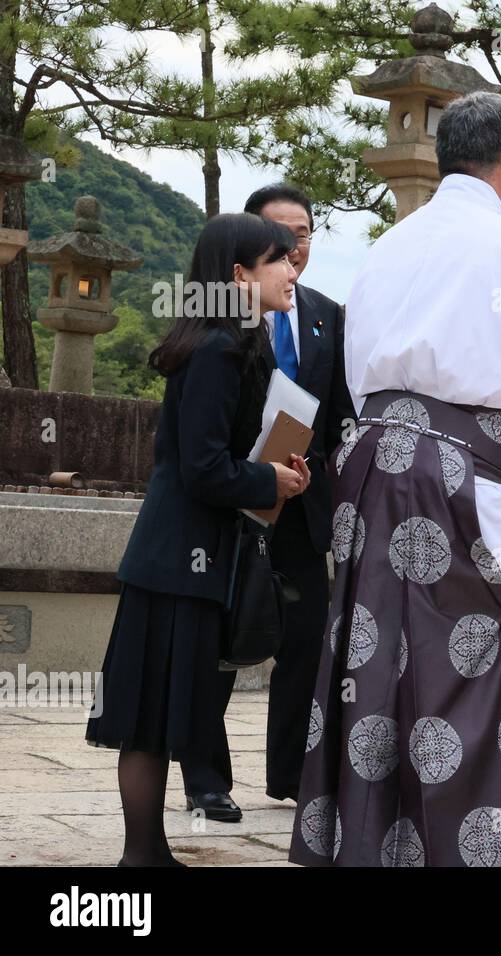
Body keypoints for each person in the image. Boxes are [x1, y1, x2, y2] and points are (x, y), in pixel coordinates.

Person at [287, 91, 501, 867]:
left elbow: (361, 374)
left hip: (370, 475)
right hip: (461, 478)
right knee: (469, 672)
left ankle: (368, 848)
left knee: (372, 667)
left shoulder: (388, 249)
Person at [86, 214, 310, 865]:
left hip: (196, 556)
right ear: (240, 276)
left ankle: (148, 852)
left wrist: (278, 472)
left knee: (161, 711)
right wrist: (266, 476)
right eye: (278, 261)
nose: (292, 271)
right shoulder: (215, 350)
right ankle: (142, 854)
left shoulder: (241, 343)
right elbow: (203, 467)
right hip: (177, 559)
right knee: (152, 712)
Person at [180, 184, 353, 821]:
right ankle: (206, 778)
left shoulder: (328, 314)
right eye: (278, 237)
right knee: (221, 641)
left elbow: (337, 414)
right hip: (232, 505)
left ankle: (290, 773)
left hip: (301, 507)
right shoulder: (221, 323)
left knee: (305, 643)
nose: (292, 248)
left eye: (302, 234)